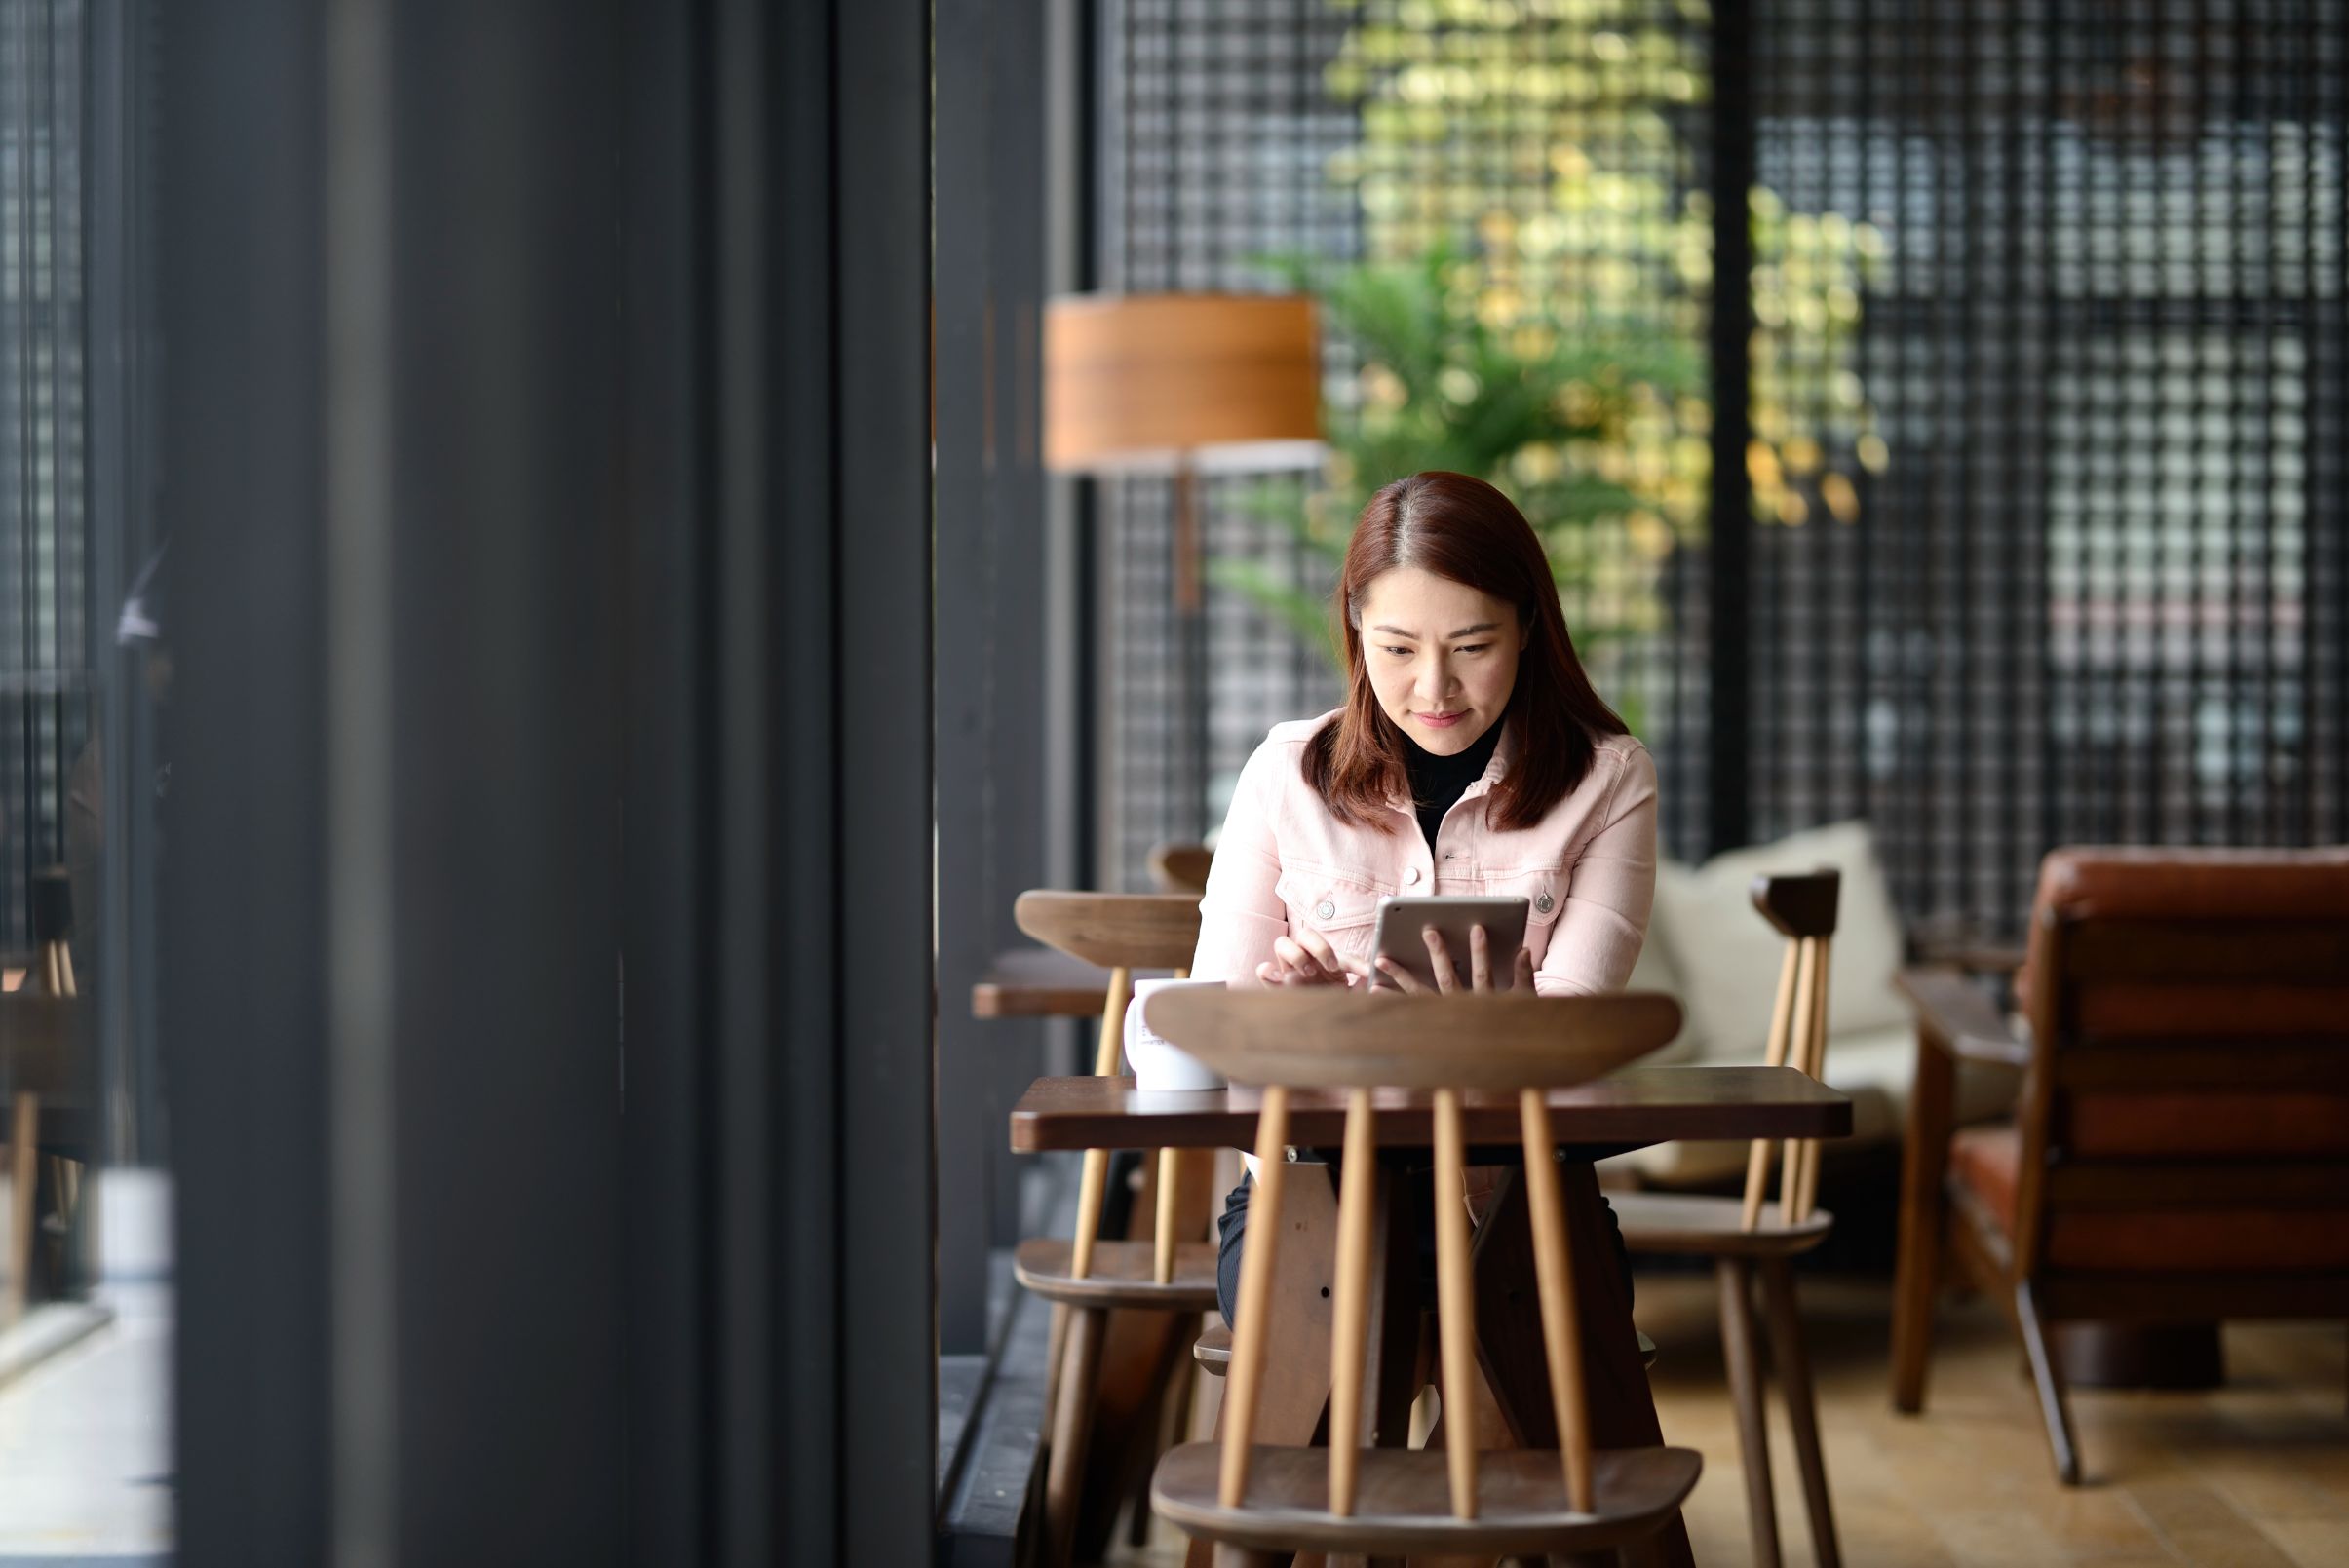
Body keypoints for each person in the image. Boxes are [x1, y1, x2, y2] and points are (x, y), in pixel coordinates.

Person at [1187, 471, 1658, 1327]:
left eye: (1472, 646)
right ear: (1357, 627)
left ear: (1527, 627)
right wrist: (1312, 1028)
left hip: (1519, 1193)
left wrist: (1510, 1026)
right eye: (1398, 648)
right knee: (1326, 1346)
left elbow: (1578, 1033)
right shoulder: (1282, 773)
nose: (1435, 689)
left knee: (1552, 1359)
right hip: (1312, 1188)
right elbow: (1220, 1025)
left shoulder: (1608, 780)